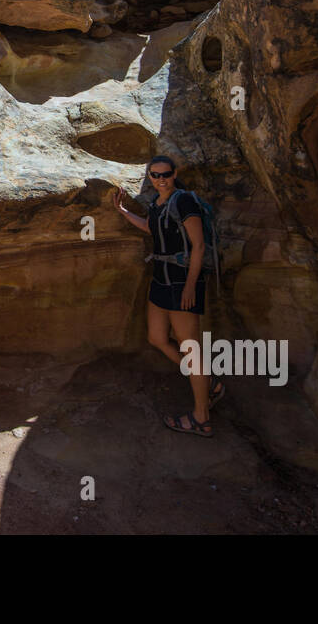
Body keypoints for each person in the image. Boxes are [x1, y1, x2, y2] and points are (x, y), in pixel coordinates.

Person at [112, 155, 225, 437]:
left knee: (191, 348)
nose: (161, 179)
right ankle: (209, 382)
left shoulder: (184, 200)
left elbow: (198, 246)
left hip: (182, 279)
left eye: (166, 174)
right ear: (149, 176)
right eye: (155, 175)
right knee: (157, 338)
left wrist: (189, 286)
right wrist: (124, 211)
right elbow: (152, 228)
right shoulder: (157, 204)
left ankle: (202, 417)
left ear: (174, 174)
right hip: (161, 277)